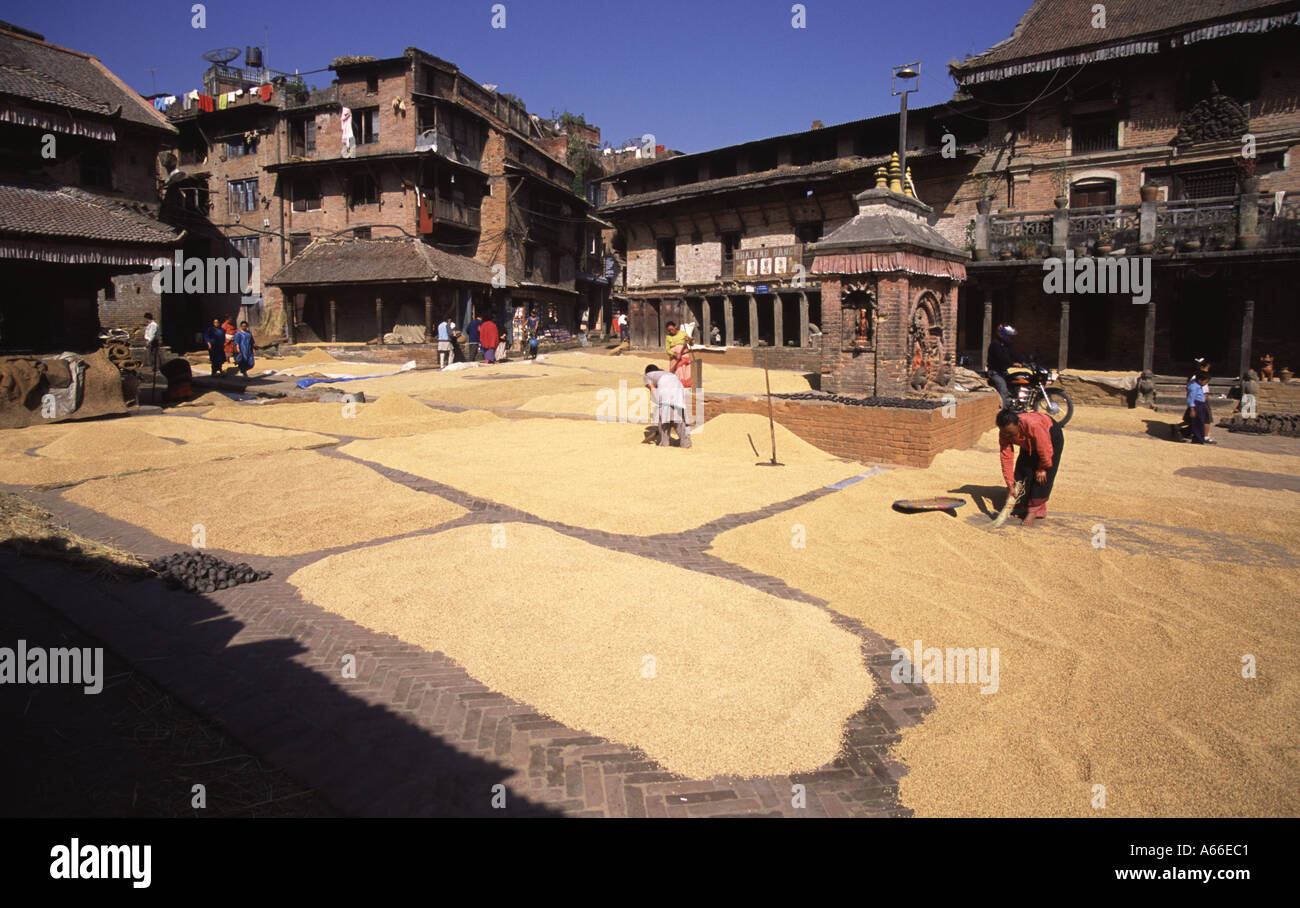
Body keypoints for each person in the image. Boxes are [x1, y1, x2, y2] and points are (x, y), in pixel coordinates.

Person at [997, 408, 1063, 527]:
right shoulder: (1004, 433)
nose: (1007, 436)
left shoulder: (1034, 425)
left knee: (1042, 478)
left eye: (1011, 433)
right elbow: (1006, 457)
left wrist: (1043, 468)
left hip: (1050, 437)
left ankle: (1034, 511)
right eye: (1005, 433)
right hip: (1028, 444)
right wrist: (1010, 484)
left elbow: (1045, 449)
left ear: (1018, 424)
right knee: (1023, 471)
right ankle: (1024, 506)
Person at [644, 365, 691, 449]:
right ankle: (686, 444)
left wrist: (658, 402)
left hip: (665, 392)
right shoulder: (665, 373)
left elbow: (652, 388)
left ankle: (664, 443)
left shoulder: (647, 375)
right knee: (678, 419)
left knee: (663, 420)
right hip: (679, 389)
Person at [987, 323, 1024, 407]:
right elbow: (1001, 358)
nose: (1010, 337)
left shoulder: (1007, 345)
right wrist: (1012, 364)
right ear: (1001, 334)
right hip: (995, 372)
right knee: (1003, 389)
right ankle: (1003, 412)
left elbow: (1014, 354)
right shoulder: (995, 344)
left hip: (1004, 371)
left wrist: (1023, 361)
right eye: (1008, 335)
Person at [1186, 372, 1215, 444]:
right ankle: (1197, 439)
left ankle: (1199, 438)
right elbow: (1190, 399)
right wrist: (1192, 409)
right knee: (1197, 423)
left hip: (1201, 405)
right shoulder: (1194, 387)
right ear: (1200, 380)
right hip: (1196, 405)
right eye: (1206, 381)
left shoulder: (1198, 386)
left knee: (1200, 422)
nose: (1206, 383)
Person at [664, 320, 692, 389]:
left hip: (684, 356)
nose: (671, 331)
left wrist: (689, 340)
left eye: (672, 329)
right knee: (678, 372)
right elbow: (667, 350)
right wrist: (674, 354)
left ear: (675, 326)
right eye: (669, 330)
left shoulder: (683, 333)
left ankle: (686, 387)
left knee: (685, 372)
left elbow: (691, 344)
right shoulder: (668, 337)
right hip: (675, 358)